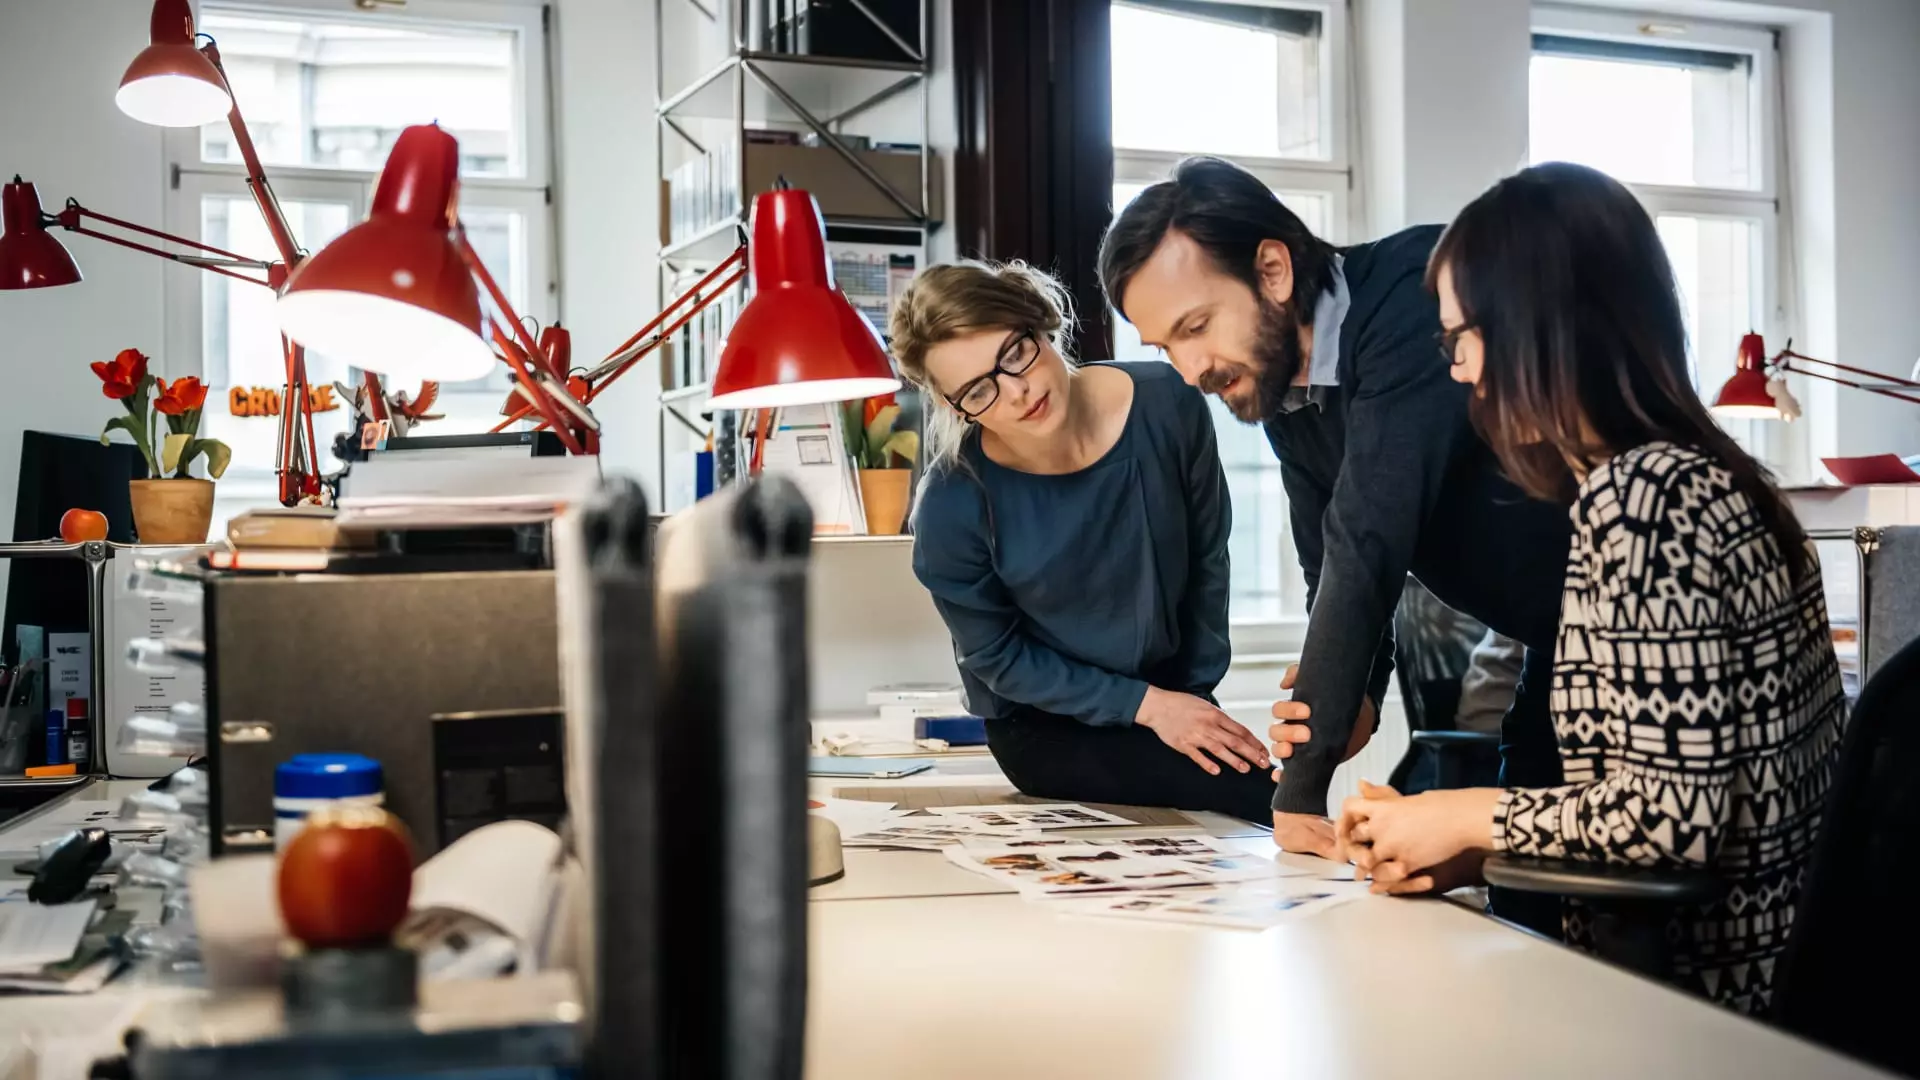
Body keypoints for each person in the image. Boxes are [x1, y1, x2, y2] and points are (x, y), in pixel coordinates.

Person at [1334, 162, 1848, 1016]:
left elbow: (1672, 822)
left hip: (1702, 1007)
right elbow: (1657, 793)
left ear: (1540, 327)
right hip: (1747, 974)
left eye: (1462, 337)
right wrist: (1471, 850)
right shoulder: (1704, 474)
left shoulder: (1643, 499)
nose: (1458, 371)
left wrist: (1467, 817)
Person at [1098, 157, 1574, 864]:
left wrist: (1297, 791)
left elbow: (1368, 539)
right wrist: (1357, 698)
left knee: (1605, 920)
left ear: (1273, 271)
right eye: (1167, 346)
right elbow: (1331, 563)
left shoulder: (1415, 295)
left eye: (1196, 326)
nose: (1191, 370)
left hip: (1636, 630)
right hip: (1556, 639)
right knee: (1527, 892)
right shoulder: (1284, 386)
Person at [893, 261, 1277, 823]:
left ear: (1039, 324)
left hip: (1173, 694)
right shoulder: (952, 503)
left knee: (1266, 792)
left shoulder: (1168, 403)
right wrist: (1148, 707)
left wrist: (1186, 699)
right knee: (1262, 796)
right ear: (956, 406)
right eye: (979, 389)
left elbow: (1207, 559)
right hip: (1043, 727)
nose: (1017, 392)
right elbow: (998, 657)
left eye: (1014, 354)